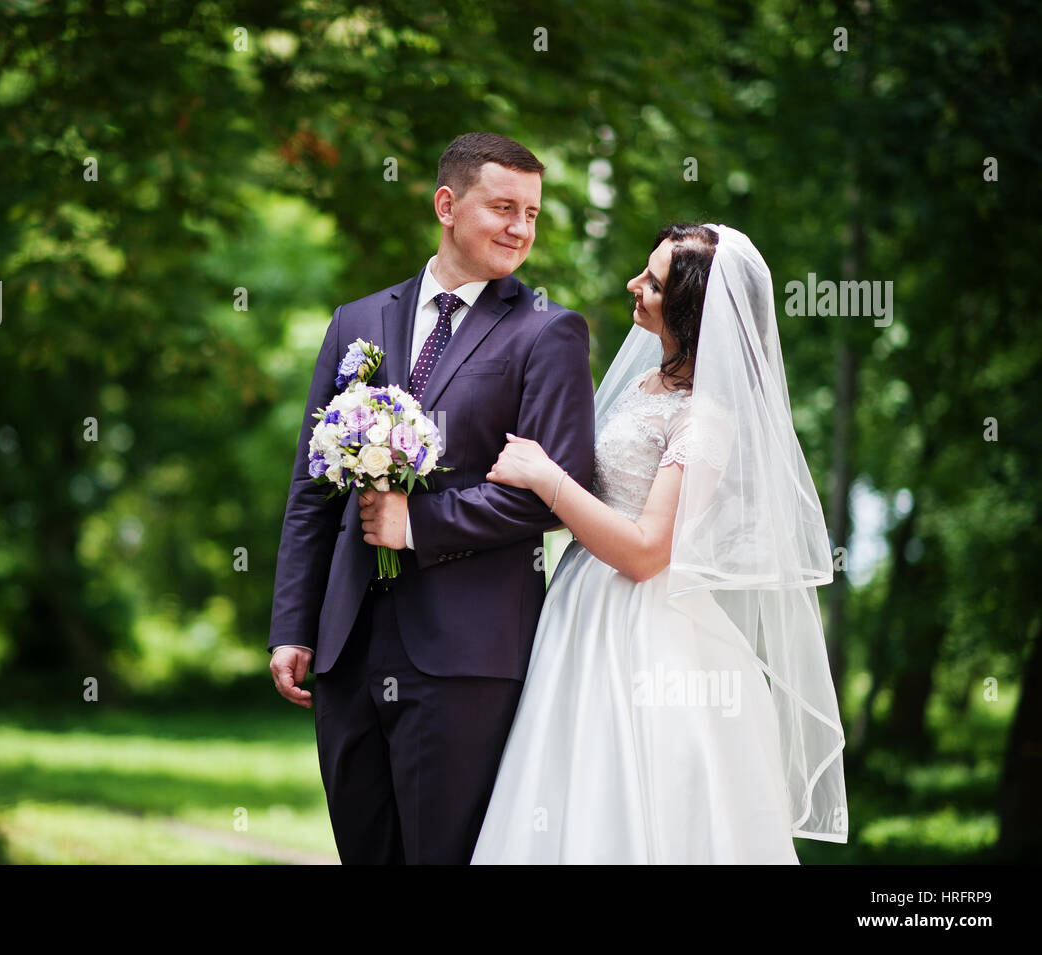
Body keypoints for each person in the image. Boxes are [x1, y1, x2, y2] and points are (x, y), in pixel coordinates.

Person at [472, 223, 848, 863]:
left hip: (640, 631)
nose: (634, 286)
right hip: (581, 607)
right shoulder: (646, 385)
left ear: (689, 313)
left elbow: (649, 552)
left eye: (652, 283)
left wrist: (544, 477)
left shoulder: (705, 417)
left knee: (630, 789)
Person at [267, 133, 596, 864]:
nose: (521, 228)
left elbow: (553, 498)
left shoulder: (549, 333)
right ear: (447, 205)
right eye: (503, 207)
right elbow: (311, 490)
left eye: (533, 213)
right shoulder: (355, 322)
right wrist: (293, 624)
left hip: (466, 657)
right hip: (348, 649)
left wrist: (418, 523)